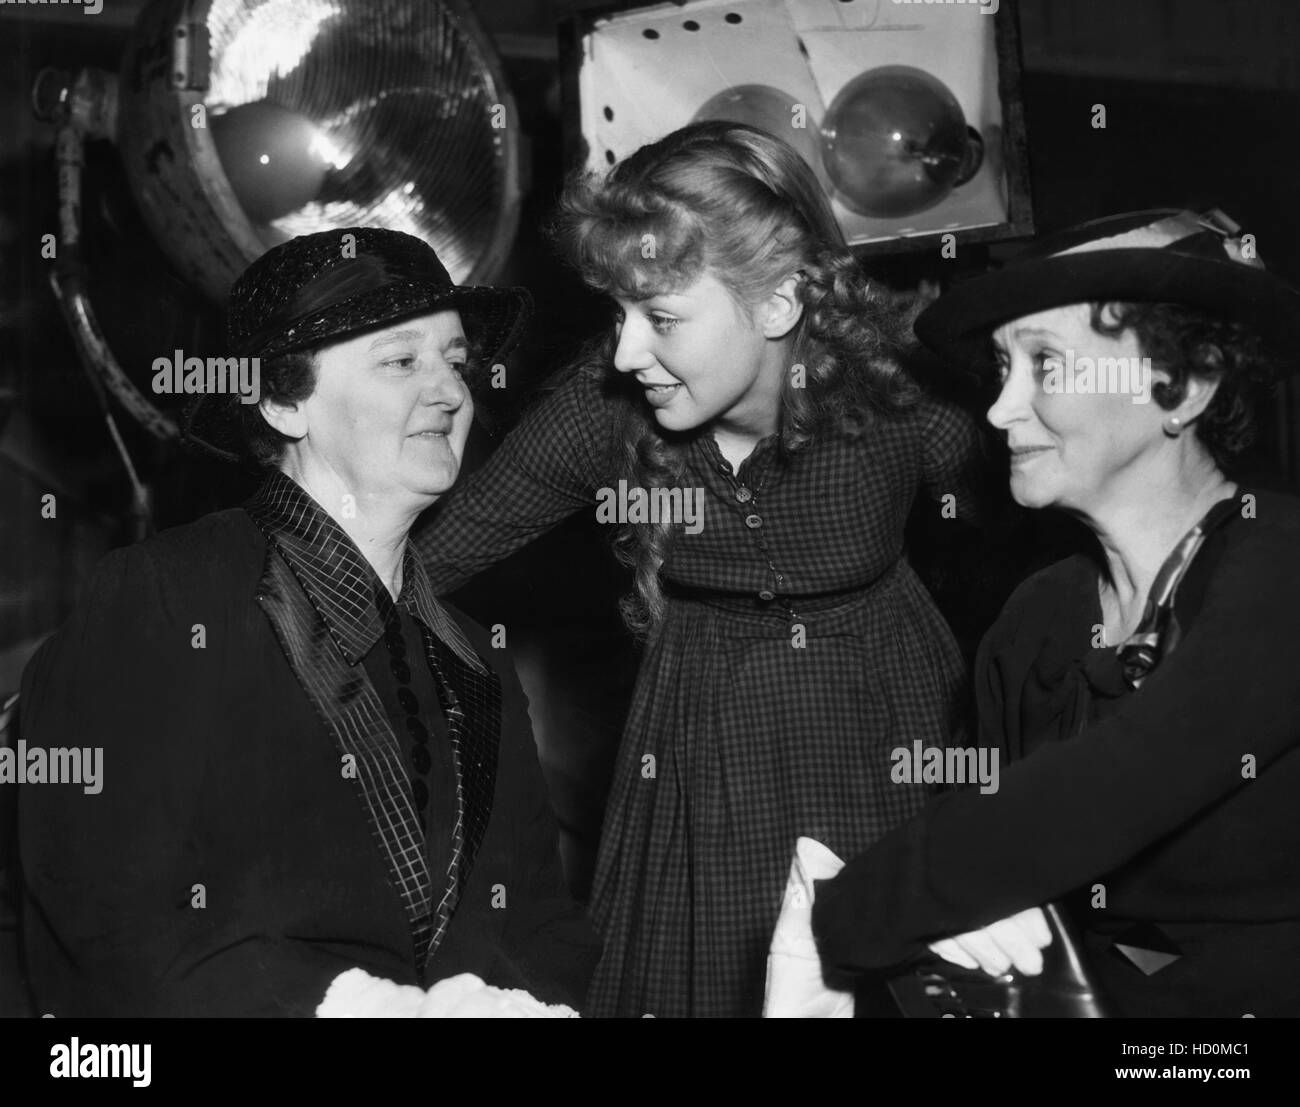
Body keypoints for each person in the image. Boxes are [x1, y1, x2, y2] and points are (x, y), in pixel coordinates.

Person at [412, 122, 986, 1017]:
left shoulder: (902, 399)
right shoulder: (603, 411)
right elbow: (431, 552)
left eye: (663, 316)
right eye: (618, 311)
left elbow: (1021, 529)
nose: (625, 351)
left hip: (890, 738)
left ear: (778, 304)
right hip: (702, 752)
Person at [16, 228, 600, 1016]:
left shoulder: (478, 662)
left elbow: (536, 924)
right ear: (284, 402)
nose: (452, 392)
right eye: (402, 361)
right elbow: (107, 909)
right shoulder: (166, 595)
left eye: (456, 362)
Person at [811, 208, 1300, 1018]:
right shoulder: (1039, 617)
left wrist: (839, 918)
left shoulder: (1279, 567)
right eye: (1003, 366)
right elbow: (990, 845)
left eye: (1045, 363)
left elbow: (1105, 792)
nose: (1000, 408)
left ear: (1188, 382)